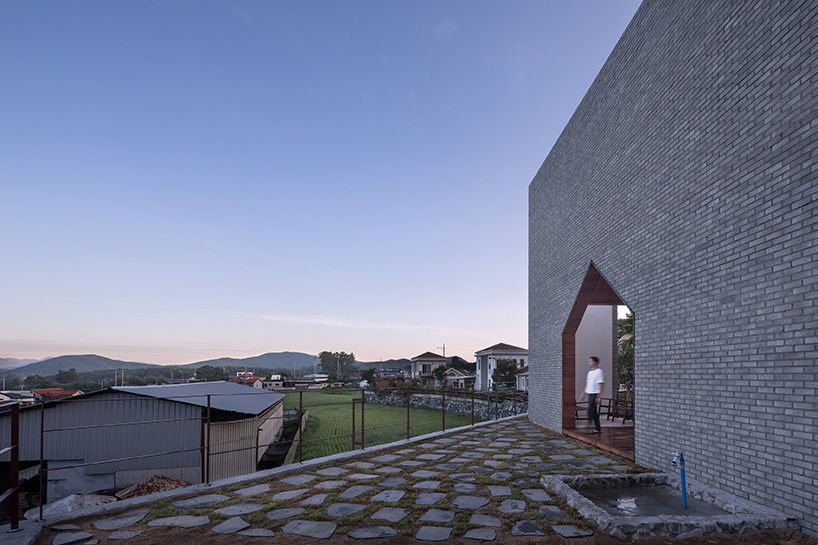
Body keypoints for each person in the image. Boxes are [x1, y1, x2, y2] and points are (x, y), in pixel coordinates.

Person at [579, 356, 604, 434]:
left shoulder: (599, 371)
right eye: (589, 361)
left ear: (595, 362)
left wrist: (599, 396)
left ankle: (589, 423)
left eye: (591, 361)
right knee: (594, 412)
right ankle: (597, 428)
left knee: (590, 410)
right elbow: (588, 384)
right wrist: (583, 394)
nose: (589, 363)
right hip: (590, 394)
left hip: (595, 394)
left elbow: (601, 384)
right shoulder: (589, 373)